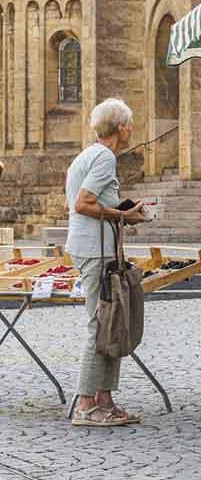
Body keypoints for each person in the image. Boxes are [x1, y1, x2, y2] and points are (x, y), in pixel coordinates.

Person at [66, 98, 149, 427]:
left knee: (111, 323)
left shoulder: (88, 155)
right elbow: (83, 204)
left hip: (94, 247)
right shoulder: (103, 157)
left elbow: (90, 202)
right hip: (95, 249)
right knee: (101, 325)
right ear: (122, 128)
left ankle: (105, 401)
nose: (132, 129)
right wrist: (123, 215)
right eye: (130, 124)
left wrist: (122, 213)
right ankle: (86, 405)